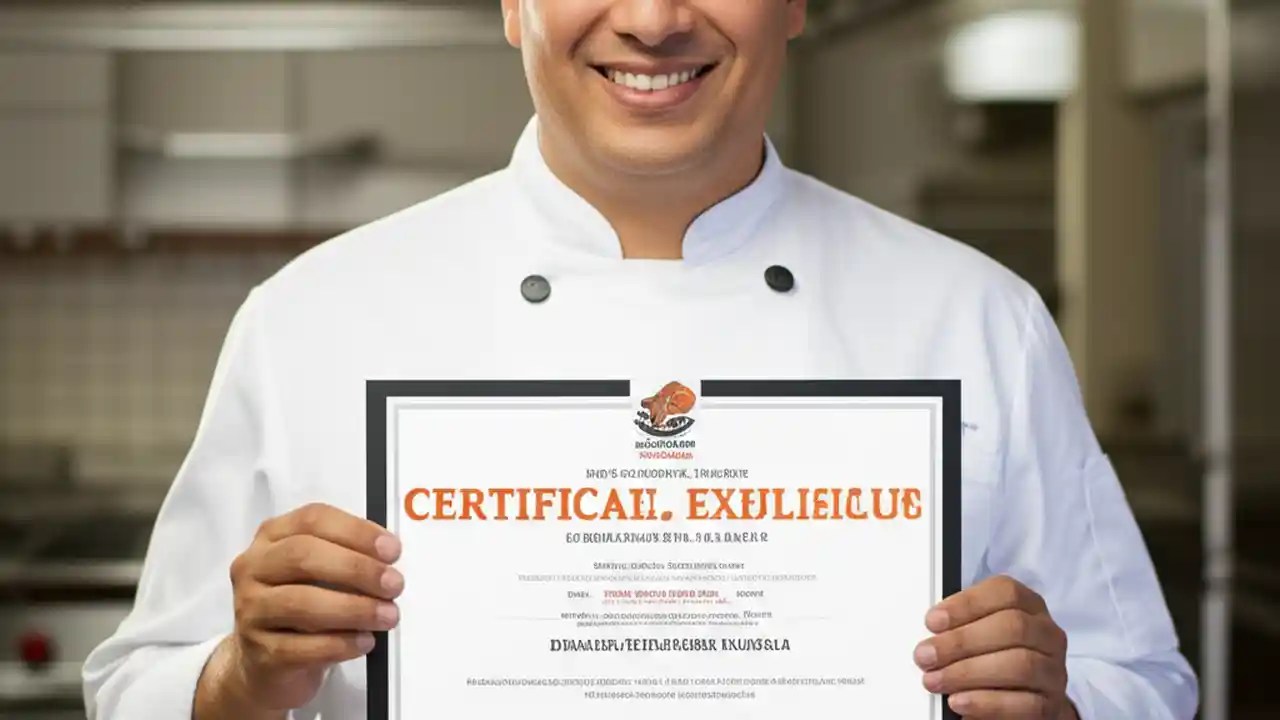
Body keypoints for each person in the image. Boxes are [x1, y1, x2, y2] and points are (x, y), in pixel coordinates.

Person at [83, 1, 1198, 718]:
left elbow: (1143, 686)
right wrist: (242, 676)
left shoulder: (974, 316)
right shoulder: (312, 317)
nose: (657, 18)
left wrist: (1054, 703)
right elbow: (131, 689)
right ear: (513, 5)